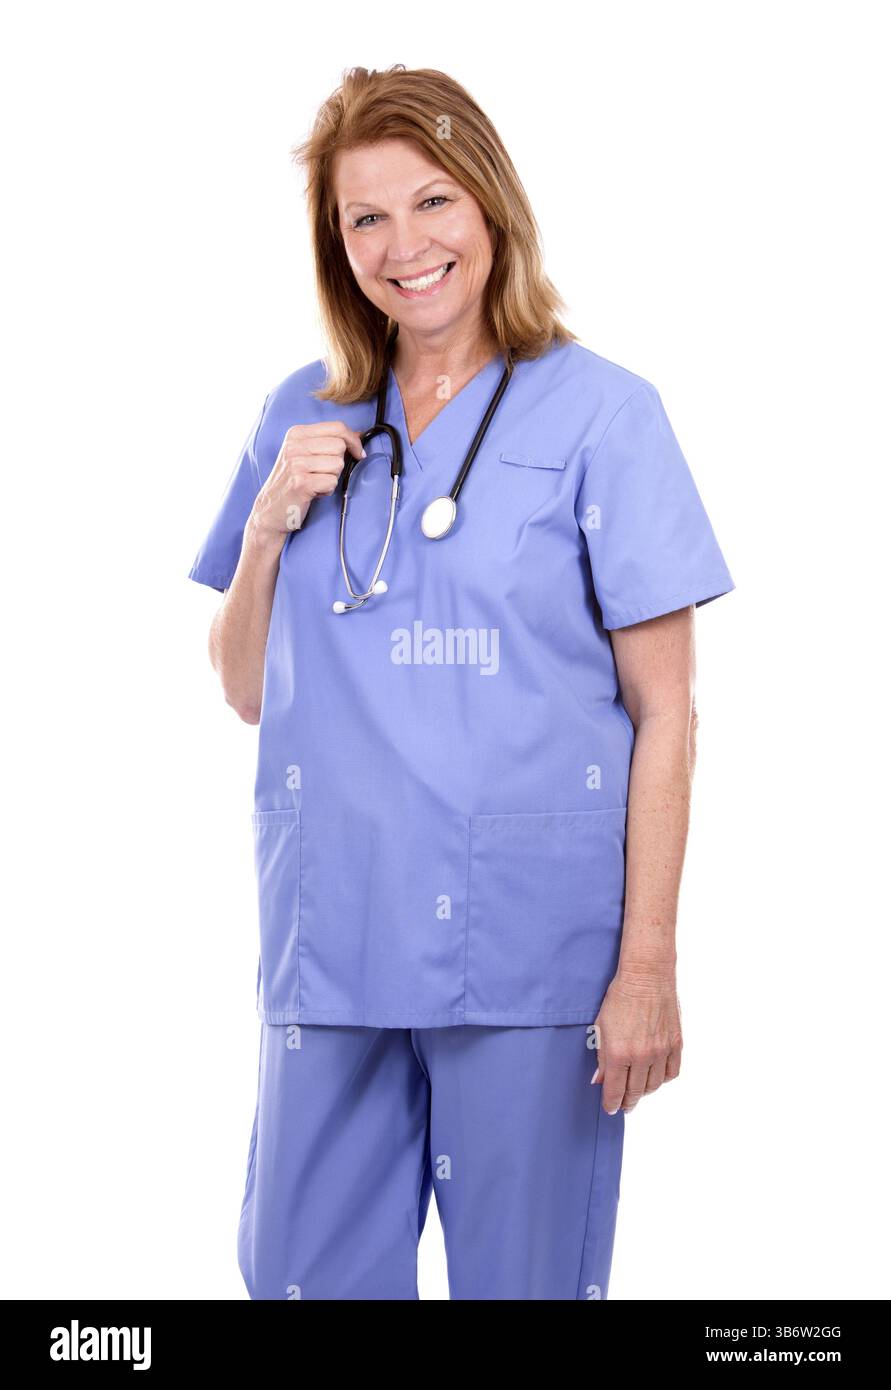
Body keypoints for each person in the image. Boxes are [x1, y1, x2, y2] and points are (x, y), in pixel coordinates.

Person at [188, 65, 735, 1301]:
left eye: (432, 202)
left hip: (531, 953)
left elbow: (667, 717)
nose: (404, 245)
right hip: (335, 947)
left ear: (490, 205)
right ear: (338, 246)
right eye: (364, 218)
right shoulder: (304, 412)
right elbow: (240, 688)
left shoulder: (607, 416)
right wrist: (268, 525)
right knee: (299, 1279)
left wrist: (647, 960)